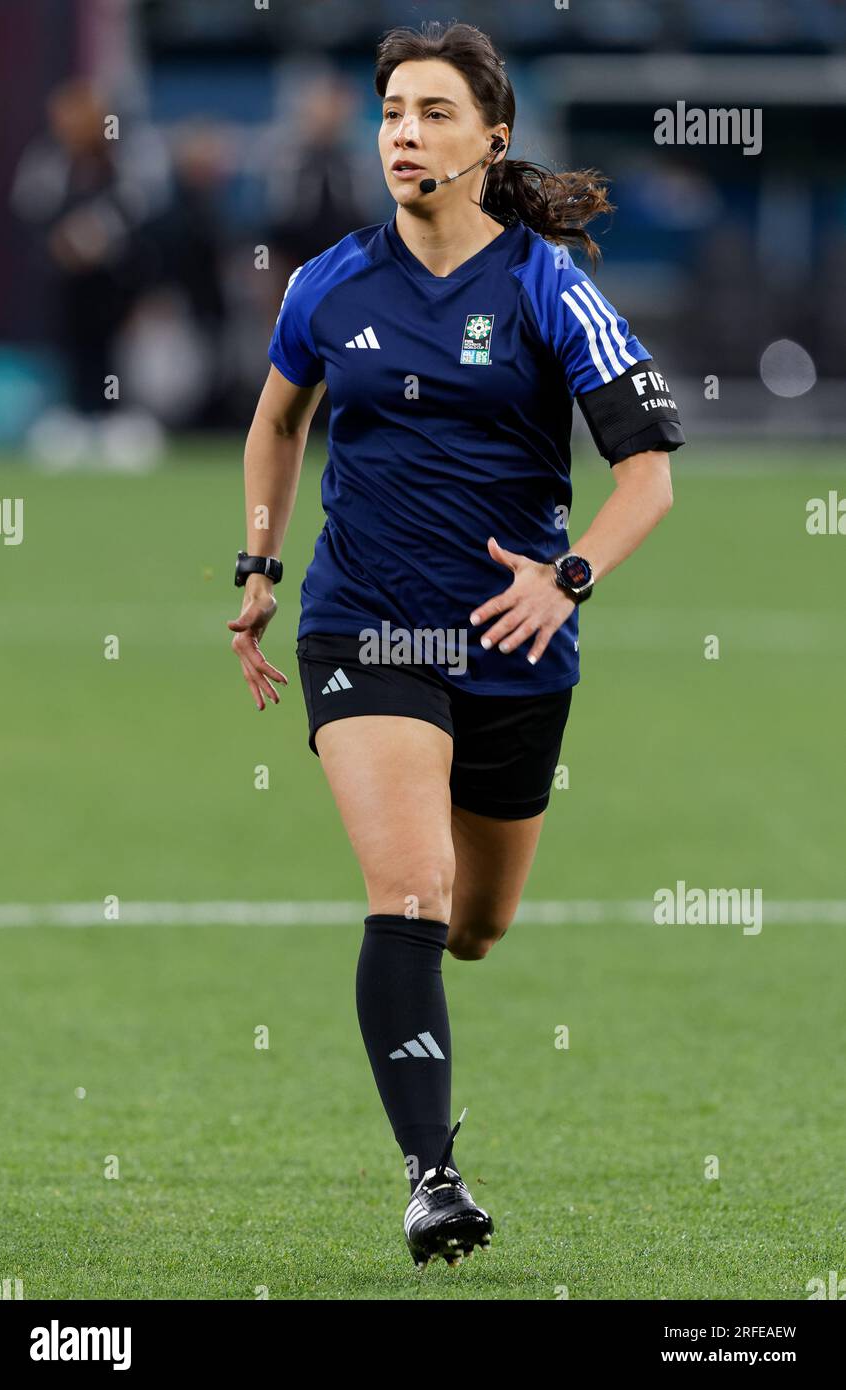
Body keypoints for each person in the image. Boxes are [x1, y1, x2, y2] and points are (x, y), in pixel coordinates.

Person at [228, 20, 684, 1270]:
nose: (403, 135)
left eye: (432, 113)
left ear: (492, 138)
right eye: (390, 113)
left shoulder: (548, 284)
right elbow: (277, 423)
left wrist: (568, 577)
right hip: (364, 623)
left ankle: (433, 1073)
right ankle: (431, 1178)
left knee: (475, 923)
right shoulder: (328, 281)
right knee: (411, 892)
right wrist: (260, 562)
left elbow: (644, 473)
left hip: (513, 644)